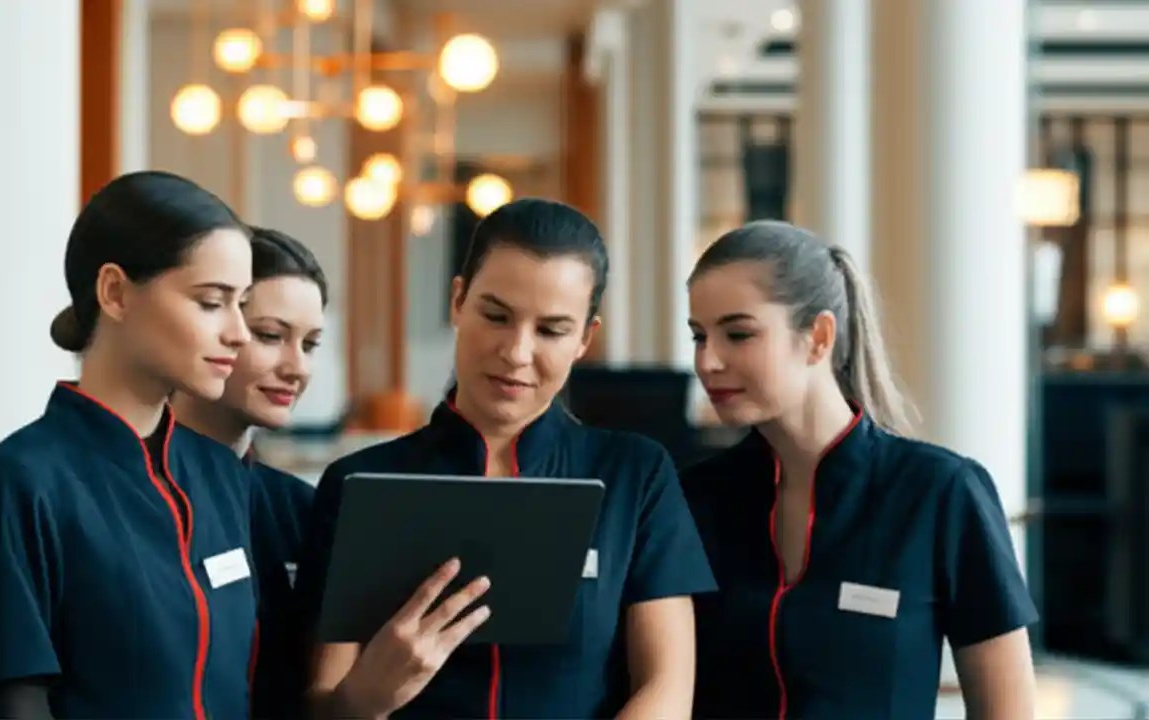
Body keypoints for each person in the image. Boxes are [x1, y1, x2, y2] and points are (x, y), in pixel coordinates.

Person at [295, 198, 717, 720]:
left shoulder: (636, 474)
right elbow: (323, 701)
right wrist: (368, 695)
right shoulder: (360, 482)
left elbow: (666, 687)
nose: (516, 352)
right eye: (496, 316)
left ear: (584, 338)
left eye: (551, 330)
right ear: (458, 301)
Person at [681, 220, 1038, 720]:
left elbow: (1008, 711)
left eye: (738, 334)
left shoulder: (941, 493)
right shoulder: (693, 498)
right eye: (699, 336)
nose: (707, 361)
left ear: (818, 337)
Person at [0, 171, 259, 720]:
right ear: (115, 292)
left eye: (243, 304)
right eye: (212, 302)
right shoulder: (20, 482)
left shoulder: (221, 473)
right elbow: (16, 704)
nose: (239, 331)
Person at [170, 225, 327, 720]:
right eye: (271, 336)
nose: (297, 367)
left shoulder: (305, 510)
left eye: (310, 344)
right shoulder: (129, 496)